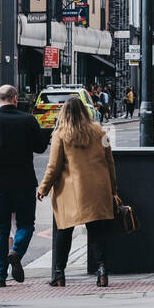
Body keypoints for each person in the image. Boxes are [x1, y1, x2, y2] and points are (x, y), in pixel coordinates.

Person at [37, 95, 118, 288]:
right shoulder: (100, 132)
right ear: (84, 111)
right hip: (98, 189)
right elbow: (110, 162)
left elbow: (53, 167)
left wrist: (43, 188)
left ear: (64, 113)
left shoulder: (60, 134)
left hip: (71, 191)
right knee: (97, 232)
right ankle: (102, 271)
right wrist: (113, 188)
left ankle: (59, 274)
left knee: (64, 231)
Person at [0, 84, 51, 286]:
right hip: (24, 183)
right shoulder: (28, 120)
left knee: (1, 229)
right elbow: (40, 147)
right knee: (26, 224)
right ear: (16, 98)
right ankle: (16, 251)